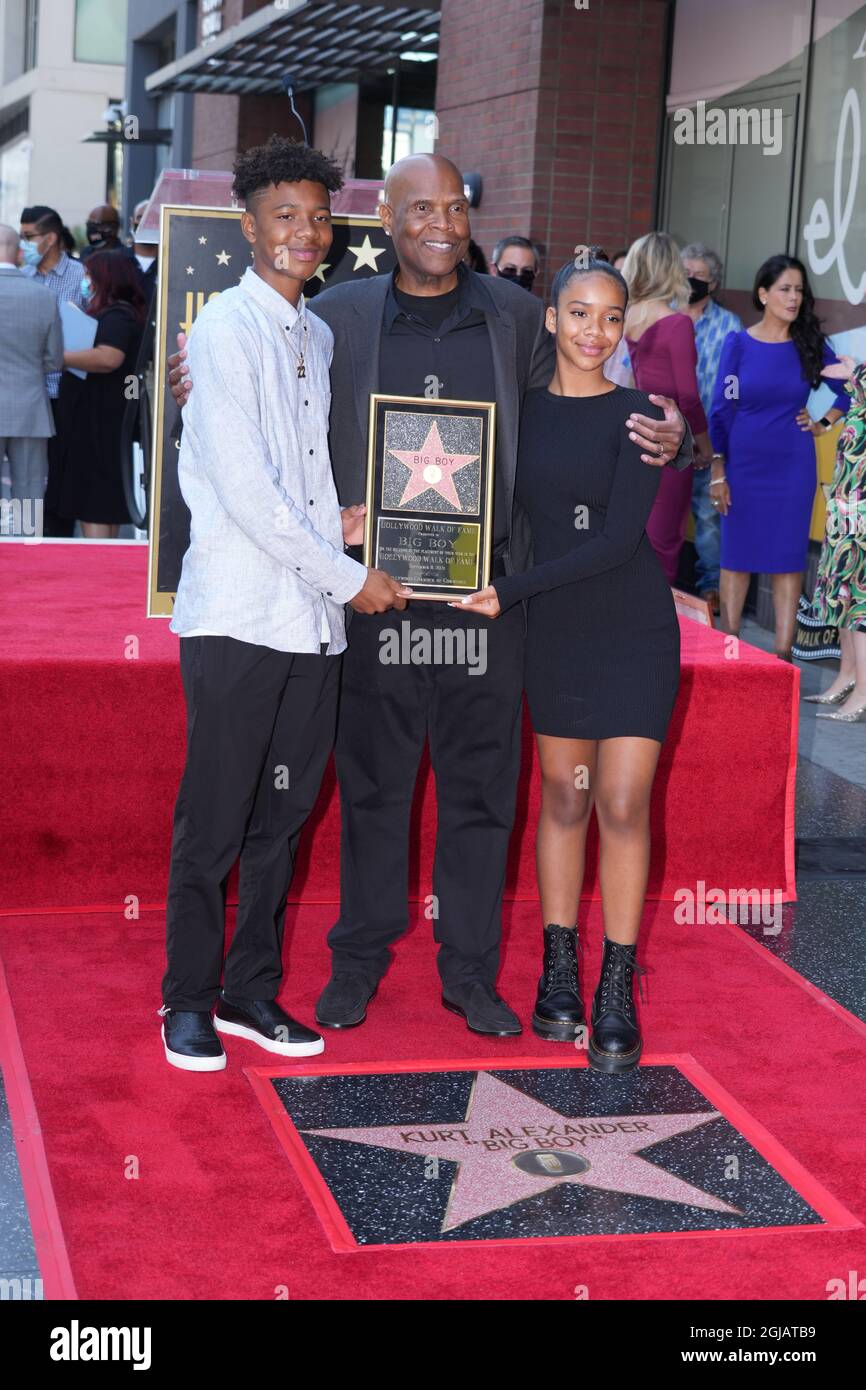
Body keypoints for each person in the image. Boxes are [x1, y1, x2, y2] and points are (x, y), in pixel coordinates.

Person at [169, 152, 692, 1039]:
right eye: (420, 209)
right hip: (375, 596)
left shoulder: (523, 317)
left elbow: (594, 398)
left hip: (490, 601)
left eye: (454, 207)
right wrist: (193, 385)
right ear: (386, 223)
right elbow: (253, 414)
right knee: (373, 789)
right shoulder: (331, 318)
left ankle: (472, 973)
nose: (441, 223)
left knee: (483, 793)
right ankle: (359, 960)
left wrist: (675, 433)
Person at [160, 137, 408, 1073]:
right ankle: (185, 998)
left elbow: (293, 486)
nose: (303, 233)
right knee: (215, 814)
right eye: (284, 216)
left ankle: (247, 993)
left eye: (316, 216)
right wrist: (354, 578)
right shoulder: (223, 331)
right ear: (248, 226)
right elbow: (245, 492)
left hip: (309, 619)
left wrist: (341, 525)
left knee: (284, 815)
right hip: (237, 616)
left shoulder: (317, 333)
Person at [459, 251, 679, 1074]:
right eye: (579, 313)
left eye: (612, 316)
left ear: (625, 327)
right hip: (551, 632)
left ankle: (616, 987)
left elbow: (618, 542)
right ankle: (560, 969)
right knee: (562, 796)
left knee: (621, 803)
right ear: (551, 320)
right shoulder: (517, 415)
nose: (595, 330)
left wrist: (507, 590)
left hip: (631, 631)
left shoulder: (642, 417)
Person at [708, 255, 848, 659]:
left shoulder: (809, 344)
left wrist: (823, 422)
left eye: (799, 290)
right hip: (743, 464)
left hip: (793, 467)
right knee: (735, 559)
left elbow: (848, 385)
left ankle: (782, 658)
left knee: (788, 562)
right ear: (763, 294)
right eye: (785, 289)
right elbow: (723, 406)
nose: (794, 297)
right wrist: (719, 468)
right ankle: (730, 651)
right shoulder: (739, 345)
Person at [623, 232, 713, 583]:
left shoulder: (625, 317)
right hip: (668, 438)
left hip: (631, 431)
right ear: (671, 269)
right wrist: (703, 444)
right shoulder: (677, 324)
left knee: (634, 536)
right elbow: (687, 396)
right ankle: (659, 627)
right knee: (665, 541)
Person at [53, 251, 146, 537]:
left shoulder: (118, 315)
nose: (85, 282)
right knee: (96, 497)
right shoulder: (115, 313)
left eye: (89, 276)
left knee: (94, 497)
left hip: (100, 424)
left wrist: (61, 357)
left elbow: (109, 358)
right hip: (96, 419)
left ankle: (99, 558)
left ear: (107, 278)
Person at [681, 243, 743, 614]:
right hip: (667, 434)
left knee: (707, 516)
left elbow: (732, 386)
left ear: (714, 283)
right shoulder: (664, 314)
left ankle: (709, 590)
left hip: (711, 436)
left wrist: (716, 441)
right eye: (685, 273)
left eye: (699, 276)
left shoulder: (729, 326)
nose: (690, 281)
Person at [805, 353, 866, 722]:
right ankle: (846, 676)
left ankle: (862, 691)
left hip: (862, 505)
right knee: (841, 586)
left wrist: (855, 371)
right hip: (848, 498)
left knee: (858, 594)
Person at [19, 205, 86, 537]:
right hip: (28, 393)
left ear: (51, 238)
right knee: (28, 474)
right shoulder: (23, 278)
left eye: (29, 237)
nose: (24, 244)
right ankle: (26, 535)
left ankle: (58, 536)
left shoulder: (80, 275)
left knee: (61, 471)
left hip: (66, 390)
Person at [0, 223, 63, 528]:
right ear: (17, 252)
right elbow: (54, 361)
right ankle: (28, 550)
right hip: (30, 407)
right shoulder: (43, 295)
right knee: (29, 494)